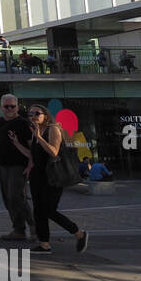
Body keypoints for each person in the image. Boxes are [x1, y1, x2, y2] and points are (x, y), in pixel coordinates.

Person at [16, 104, 90, 254]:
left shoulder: (53, 129)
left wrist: (38, 138)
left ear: (45, 115)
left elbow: (54, 152)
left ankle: (79, 233)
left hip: (52, 177)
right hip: (37, 176)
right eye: (30, 114)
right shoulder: (36, 131)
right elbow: (33, 155)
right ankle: (44, 245)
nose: (33, 116)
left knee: (49, 210)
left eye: (37, 113)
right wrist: (17, 143)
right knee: (39, 211)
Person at [0, 93, 34, 241]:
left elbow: (32, 146)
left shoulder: (24, 123)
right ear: (1, 107)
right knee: (8, 198)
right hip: (3, 165)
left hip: (18, 165)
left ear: (17, 107)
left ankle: (33, 226)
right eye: (6, 106)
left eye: (12, 106)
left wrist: (31, 164)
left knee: (16, 196)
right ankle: (18, 229)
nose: (9, 109)